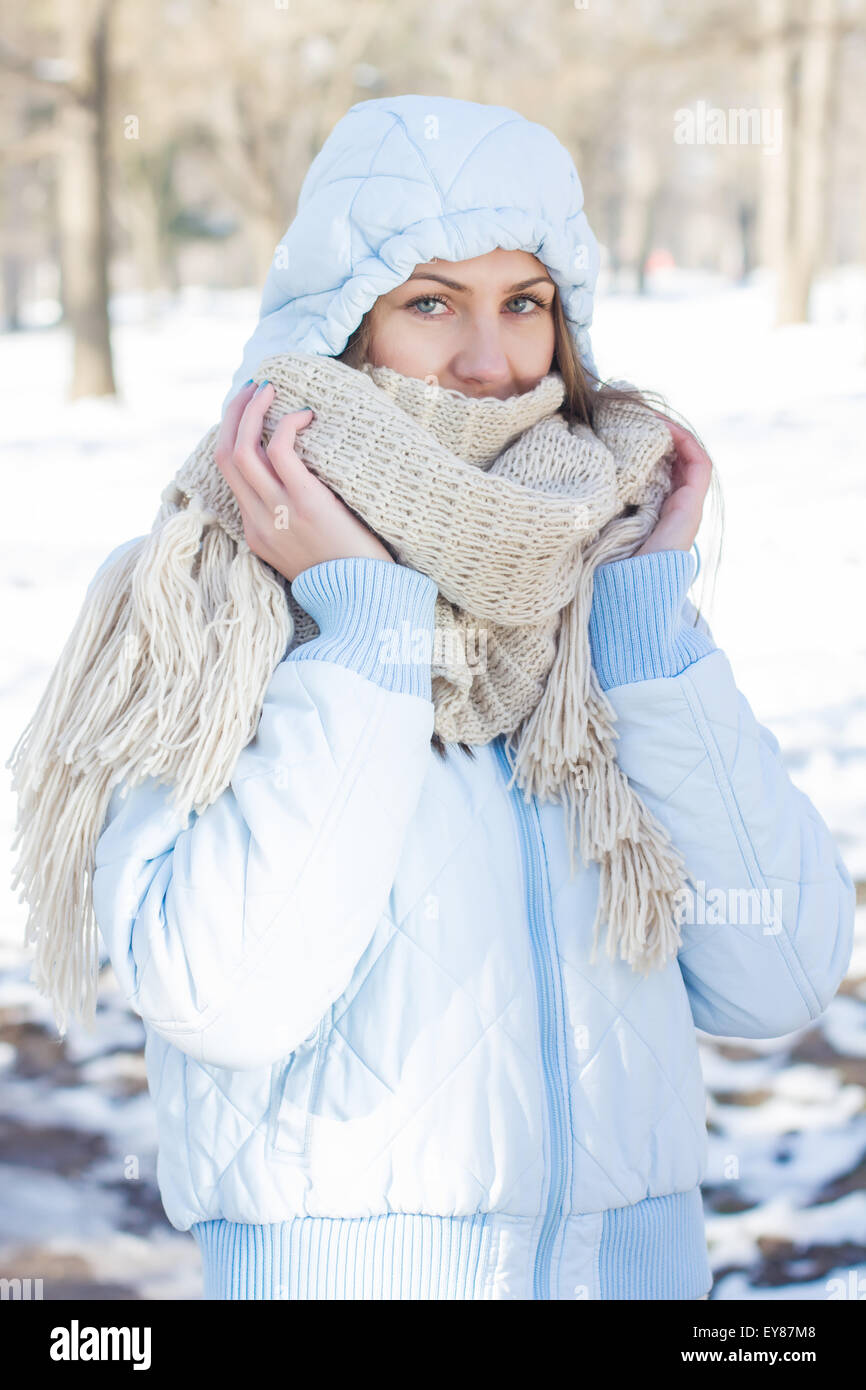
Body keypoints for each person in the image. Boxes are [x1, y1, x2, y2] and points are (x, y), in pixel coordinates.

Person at [33, 94, 858, 1301]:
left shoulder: (593, 589)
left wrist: (643, 643)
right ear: (341, 329)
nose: (487, 361)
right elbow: (221, 991)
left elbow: (777, 974)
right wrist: (363, 631)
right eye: (429, 303)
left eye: (522, 303)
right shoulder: (205, 597)